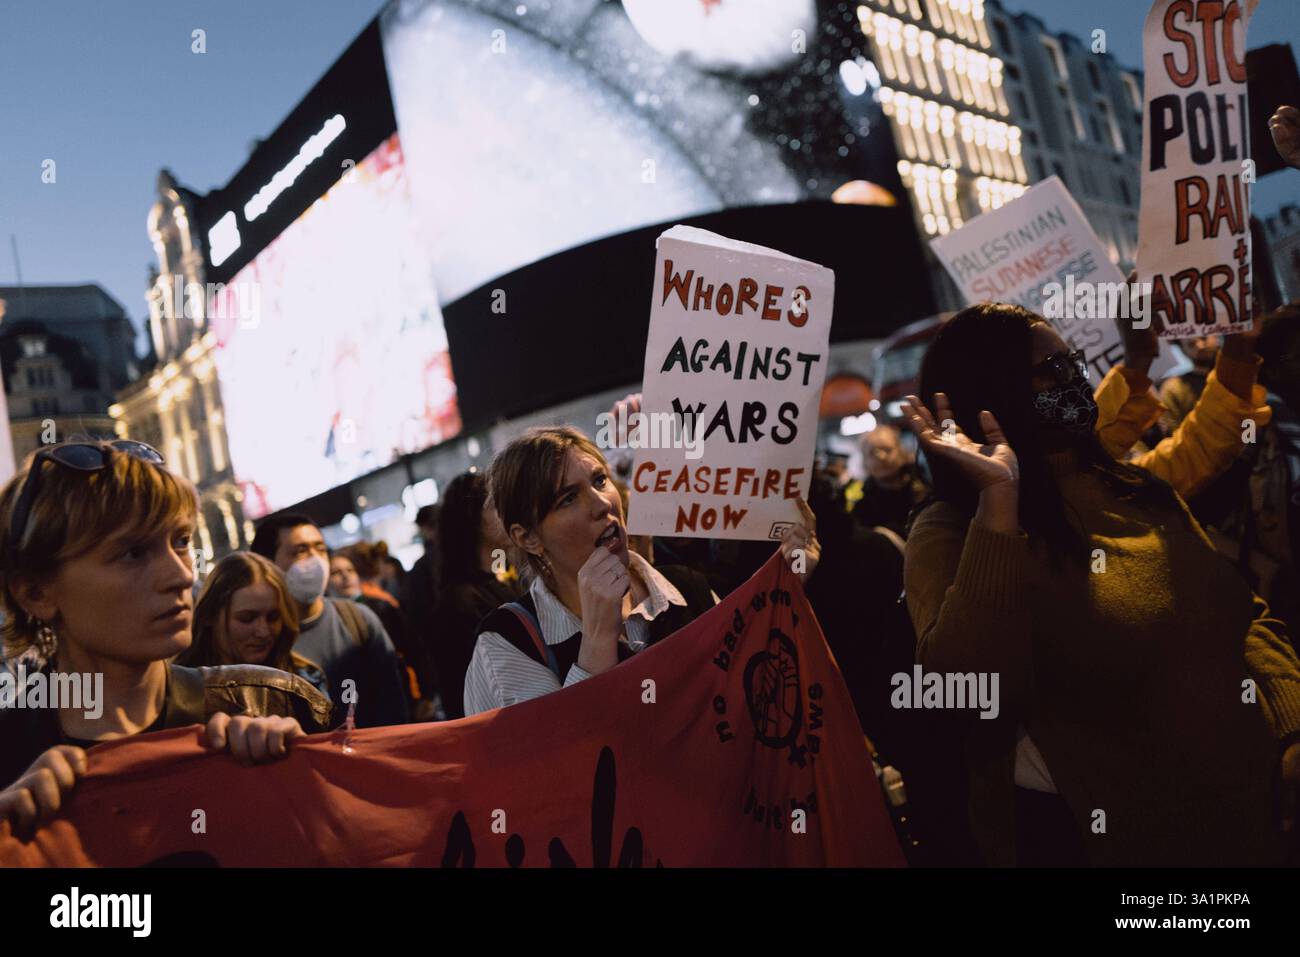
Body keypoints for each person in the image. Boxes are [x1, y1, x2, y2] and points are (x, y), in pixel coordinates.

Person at [901, 303, 1300, 867]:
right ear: (994, 391)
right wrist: (998, 506)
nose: (1072, 382)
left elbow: (1241, 617)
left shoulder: (1135, 487)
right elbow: (973, 688)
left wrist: (1291, 725)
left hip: (1257, 827)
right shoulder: (950, 531)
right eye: (1049, 371)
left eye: (1073, 364)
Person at [0, 441, 330, 839]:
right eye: (133, 552)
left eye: (181, 541)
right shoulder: (10, 755)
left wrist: (308, 777)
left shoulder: (274, 702)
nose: (182, 576)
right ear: (36, 593)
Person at [463, 426, 818, 715]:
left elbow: (750, 694)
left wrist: (783, 585)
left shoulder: (687, 588)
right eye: (567, 499)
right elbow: (547, 775)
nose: (602, 504)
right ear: (528, 538)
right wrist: (598, 643)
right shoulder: (508, 643)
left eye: (600, 480)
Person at [251, 514, 410, 728]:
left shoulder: (359, 619)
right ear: (267, 564)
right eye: (300, 551)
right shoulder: (259, 637)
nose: (315, 559)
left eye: (321, 549)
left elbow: (393, 706)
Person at [428, 470, 519, 719]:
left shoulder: (512, 579)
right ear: (472, 520)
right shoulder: (458, 603)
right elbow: (462, 692)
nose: (508, 512)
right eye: (496, 505)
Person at [178, 551, 329, 698]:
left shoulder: (307, 680)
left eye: (273, 617)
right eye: (247, 618)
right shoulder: (180, 687)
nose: (263, 632)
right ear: (209, 616)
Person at [851, 424, 930, 538]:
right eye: (872, 453)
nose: (881, 457)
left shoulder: (926, 480)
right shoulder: (862, 508)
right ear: (865, 462)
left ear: (901, 451)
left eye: (887, 449)